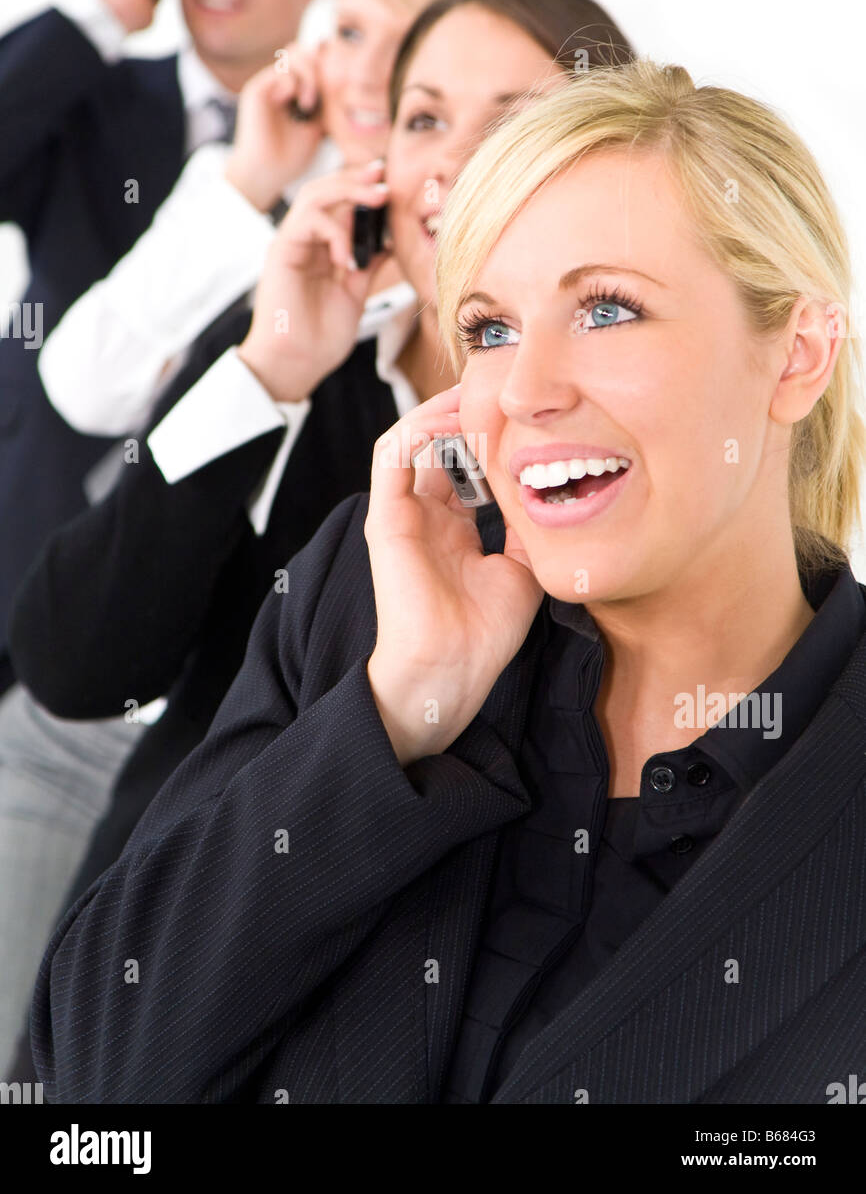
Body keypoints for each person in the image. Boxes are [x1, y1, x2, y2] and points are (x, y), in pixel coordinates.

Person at [30, 58, 866, 1104]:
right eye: (487, 329)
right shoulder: (367, 596)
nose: (523, 389)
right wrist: (397, 711)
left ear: (794, 354)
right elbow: (97, 1079)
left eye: (606, 309)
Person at [7, 0, 633, 1085]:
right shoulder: (296, 358)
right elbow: (75, 662)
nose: (450, 161)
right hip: (163, 985)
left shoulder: (609, 436)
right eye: (425, 117)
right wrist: (267, 369)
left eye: (511, 120)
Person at [0, 0, 341, 695]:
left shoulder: (350, 154)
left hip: (217, 643)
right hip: (20, 544)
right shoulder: (91, 95)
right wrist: (100, 20)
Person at [36, 0, 512, 439]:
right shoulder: (246, 180)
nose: (366, 75)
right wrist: (250, 181)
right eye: (350, 33)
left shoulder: (497, 228)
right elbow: (84, 388)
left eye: (410, 43)